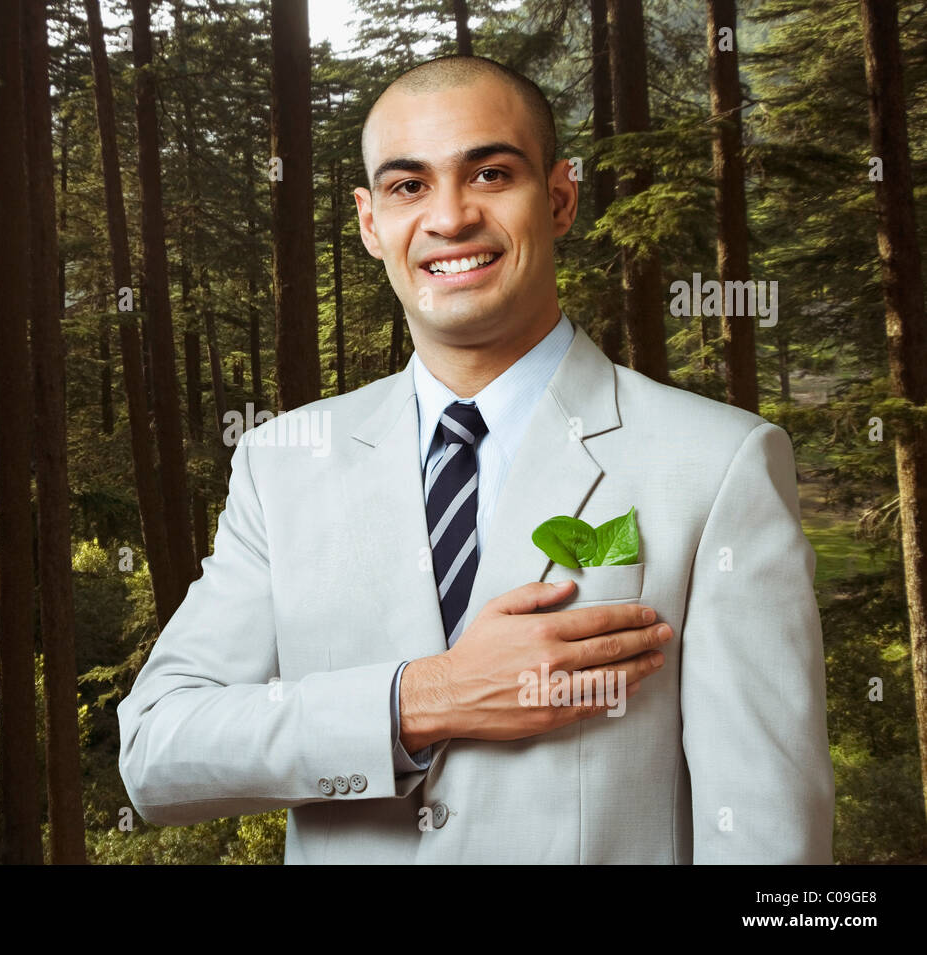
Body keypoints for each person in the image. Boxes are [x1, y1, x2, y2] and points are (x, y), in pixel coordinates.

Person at [117, 54, 834, 864]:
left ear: (559, 198)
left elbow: (770, 844)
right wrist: (428, 697)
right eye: (408, 185)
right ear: (368, 221)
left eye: (490, 173)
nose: (450, 218)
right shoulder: (281, 463)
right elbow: (157, 752)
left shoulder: (721, 463)